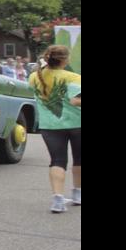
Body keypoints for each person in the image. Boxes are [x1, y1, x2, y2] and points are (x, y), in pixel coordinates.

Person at [30, 45, 81, 213]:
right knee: (79, 160)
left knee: (57, 161)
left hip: (50, 126)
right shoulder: (73, 77)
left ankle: (57, 200)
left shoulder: (34, 77)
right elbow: (76, 100)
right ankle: (78, 194)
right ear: (65, 60)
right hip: (76, 123)